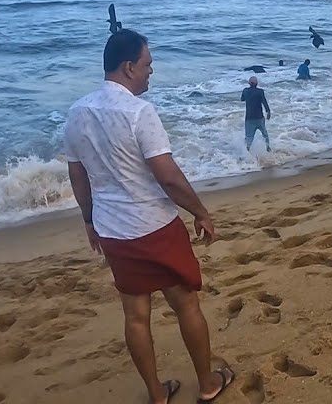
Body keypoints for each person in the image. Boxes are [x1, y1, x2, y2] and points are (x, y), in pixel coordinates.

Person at [63, 29, 234, 404]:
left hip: (112, 229)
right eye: (147, 65)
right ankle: (206, 384)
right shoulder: (139, 112)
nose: (151, 72)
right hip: (154, 225)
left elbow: (78, 175)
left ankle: (157, 394)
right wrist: (201, 212)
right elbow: (168, 176)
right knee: (186, 304)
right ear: (128, 68)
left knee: (136, 316)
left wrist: (89, 221)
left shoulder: (77, 113)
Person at [241, 76, 272, 152]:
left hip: (249, 118)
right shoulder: (260, 91)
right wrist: (268, 111)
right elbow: (264, 102)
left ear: (249, 83)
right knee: (265, 134)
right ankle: (268, 148)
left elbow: (242, 99)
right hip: (259, 117)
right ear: (257, 84)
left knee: (249, 137)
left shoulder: (245, 91)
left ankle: (246, 152)